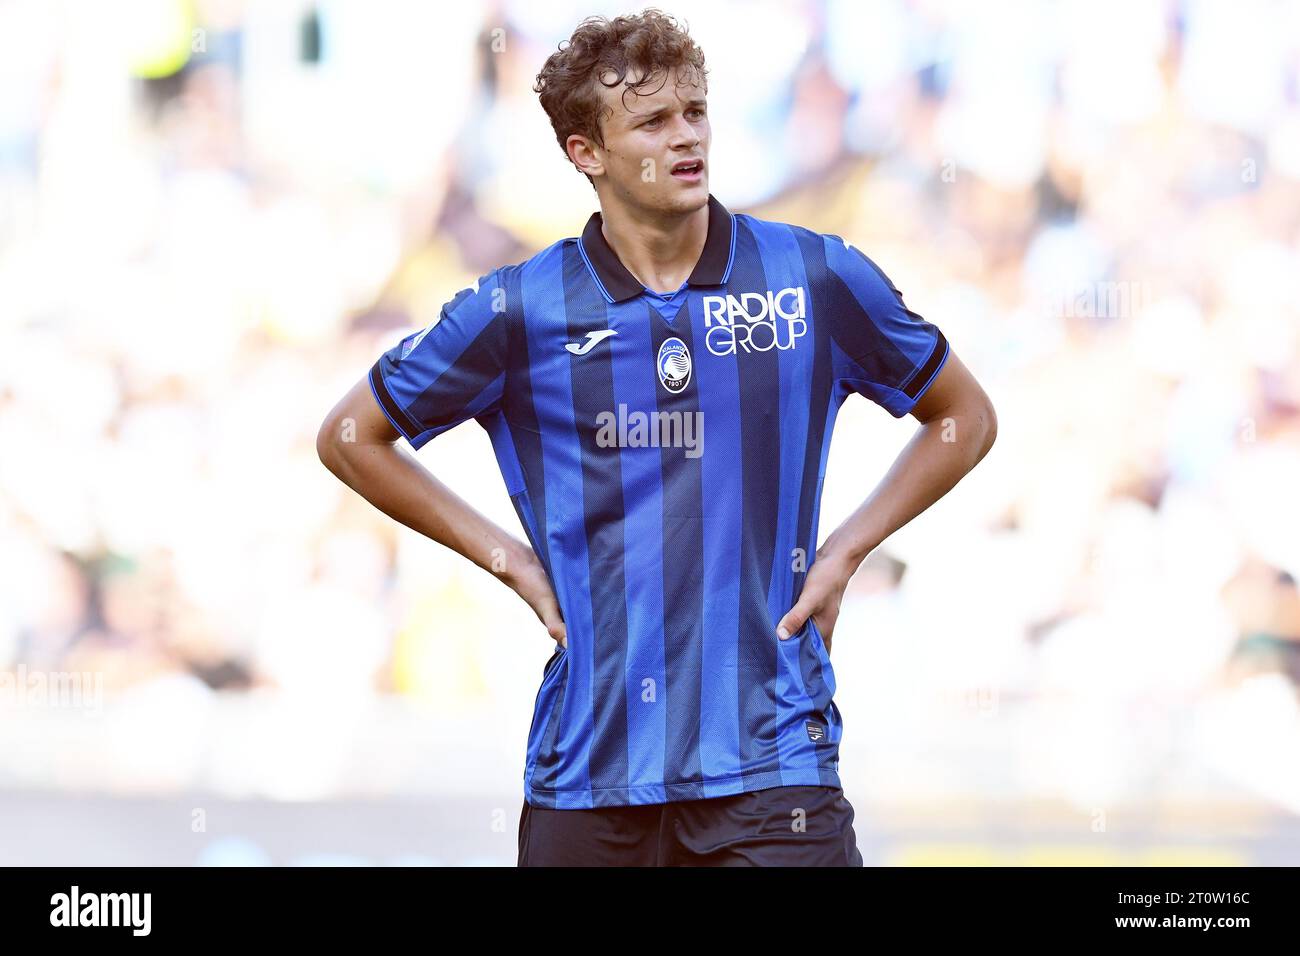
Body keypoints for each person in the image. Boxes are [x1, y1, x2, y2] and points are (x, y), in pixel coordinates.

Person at [317, 9, 997, 866]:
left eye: (695, 113)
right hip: (591, 776)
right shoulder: (518, 309)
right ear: (585, 152)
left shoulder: (812, 278)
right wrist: (508, 559)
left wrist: (846, 552)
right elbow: (350, 436)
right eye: (652, 121)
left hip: (775, 764)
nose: (687, 138)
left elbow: (965, 417)